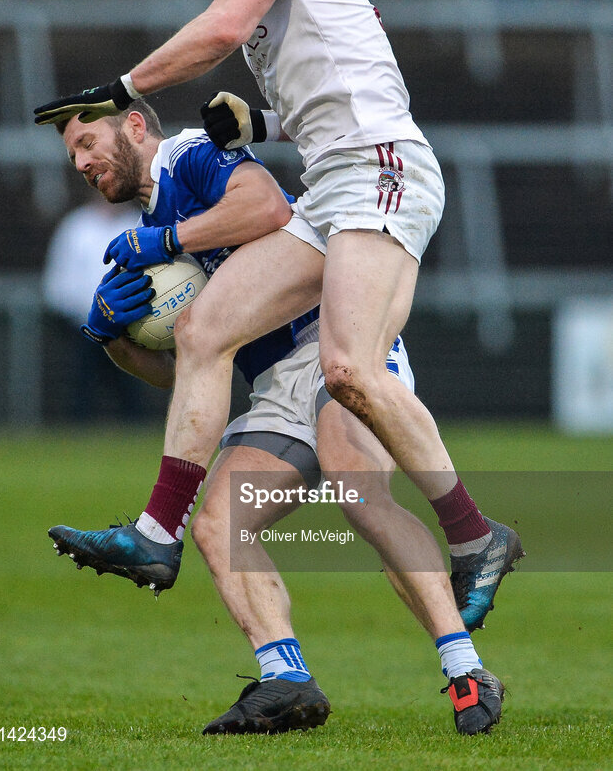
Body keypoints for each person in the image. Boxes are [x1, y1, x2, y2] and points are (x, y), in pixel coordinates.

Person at [34, 0, 524, 633]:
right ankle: (157, 536)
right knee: (204, 327)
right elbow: (341, 86)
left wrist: (121, 88)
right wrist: (259, 124)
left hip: (380, 171)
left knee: (349, 370)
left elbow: (222, 31)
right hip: (337, 185)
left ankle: (473, 532)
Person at [48, 102, 505, 736]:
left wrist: (168, 241)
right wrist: (111, 340)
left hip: (338, 342)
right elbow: (186, 372)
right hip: (274, 384)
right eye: (72, 155)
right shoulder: (151, 220)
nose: (81, 163)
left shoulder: (189, 157)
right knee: (217, 527)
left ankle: (465, 671)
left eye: (87, 142)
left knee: (359, 492)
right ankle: (286, 678)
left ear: (133, 125)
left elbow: (269, 208)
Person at [42, 195, 142, 420]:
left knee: (130, 384)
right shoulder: (76, 226)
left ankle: (136, 430)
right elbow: (59, 283)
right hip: (83, 327)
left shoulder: (137, 224)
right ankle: (78, 429)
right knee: (82, 382)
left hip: (129, 326)